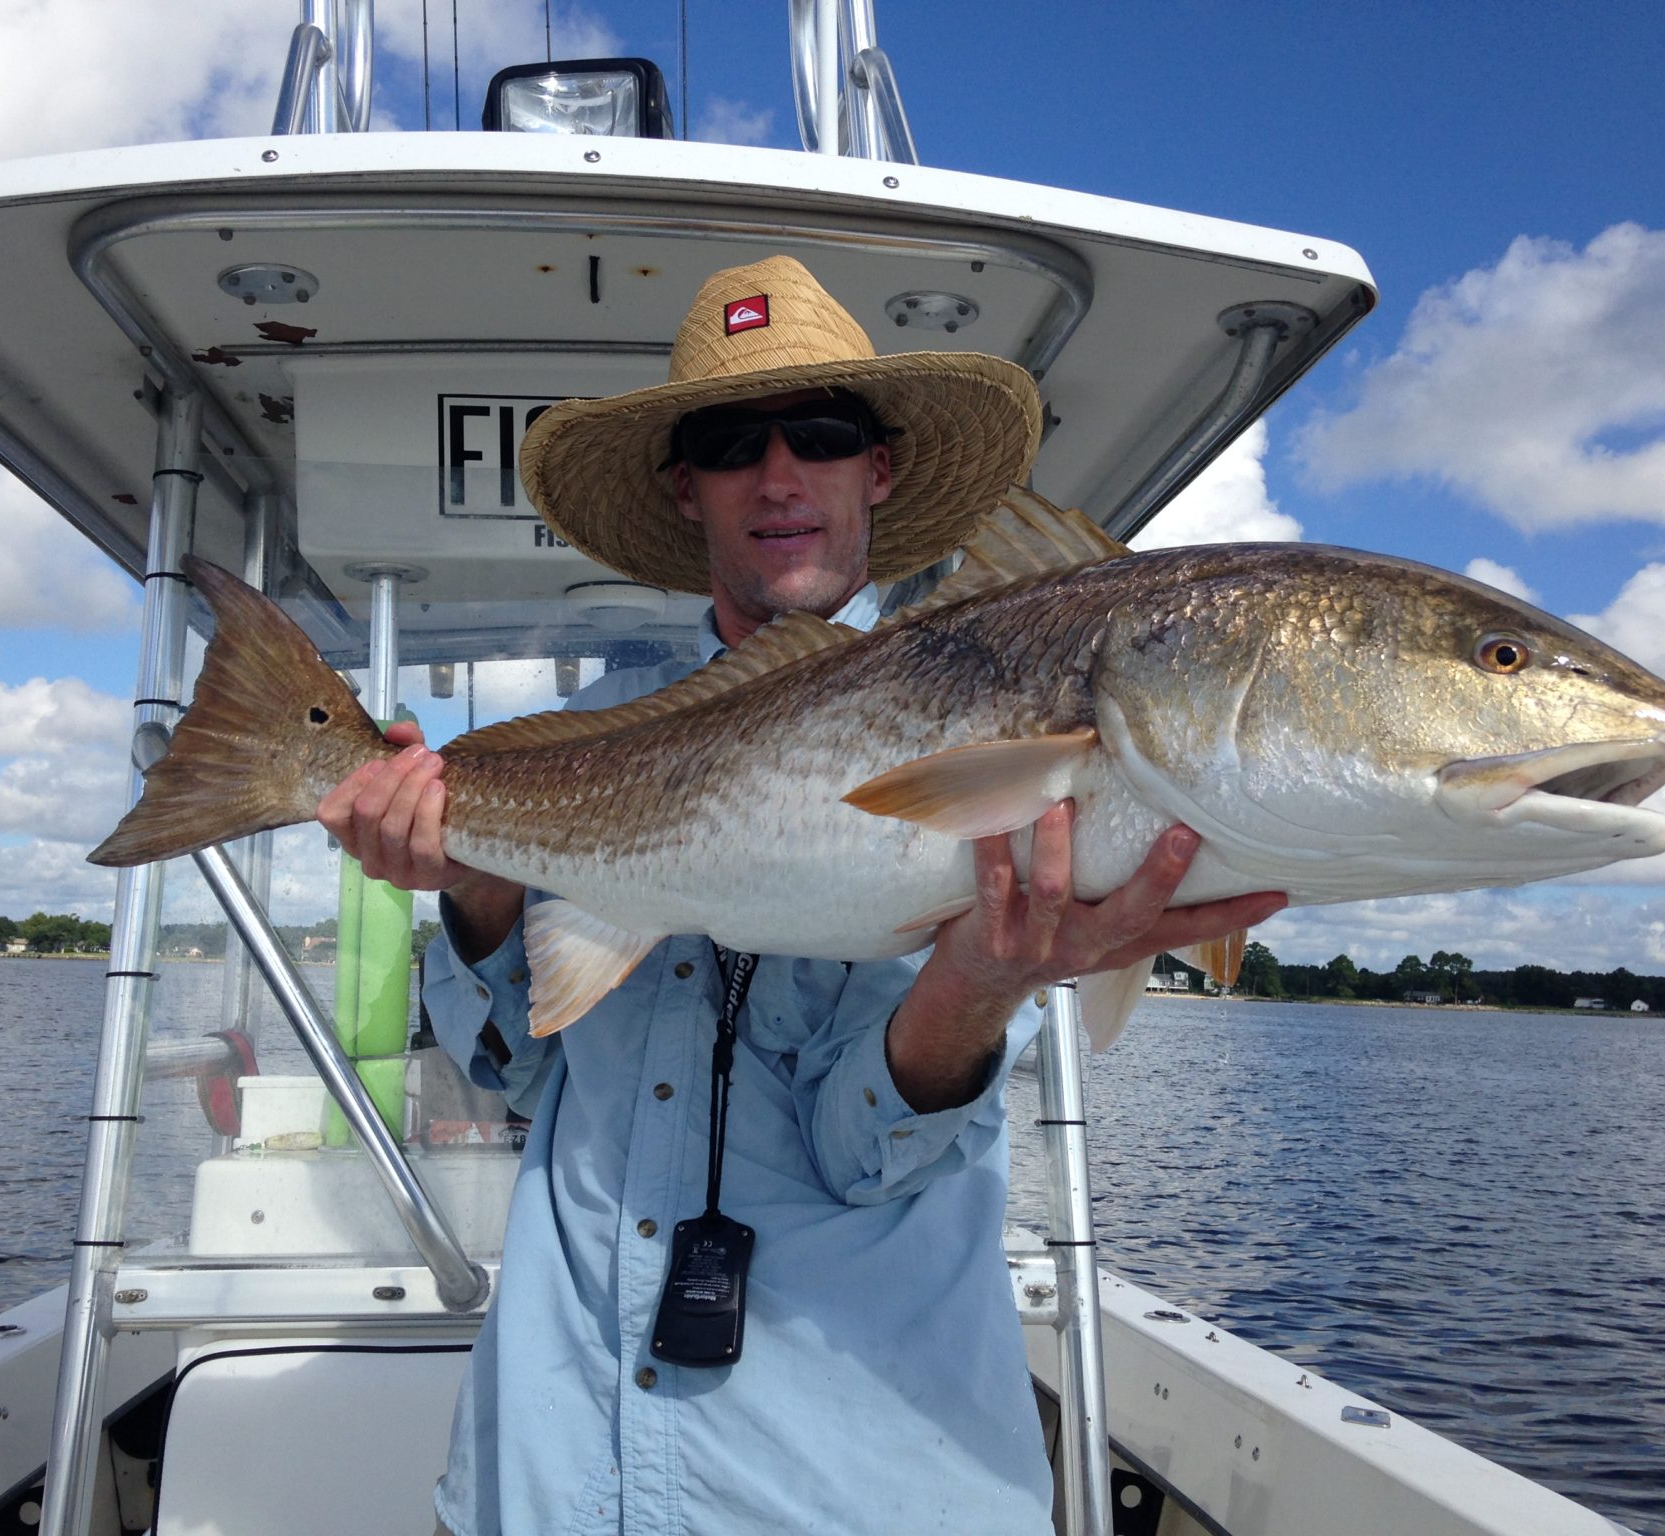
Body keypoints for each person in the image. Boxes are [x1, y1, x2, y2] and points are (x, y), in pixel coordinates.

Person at [318, 256, 1285, 1535]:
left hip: (852, 1488)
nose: (778, 475)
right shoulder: (577, 742)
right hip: (544, 1479)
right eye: (730, 440)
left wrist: (978, 981)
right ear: (688, 484)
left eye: (821, 434)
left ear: (874, 469)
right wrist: (479, 883)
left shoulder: (999, 715)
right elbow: (513, 1075)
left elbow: (859, 1149)